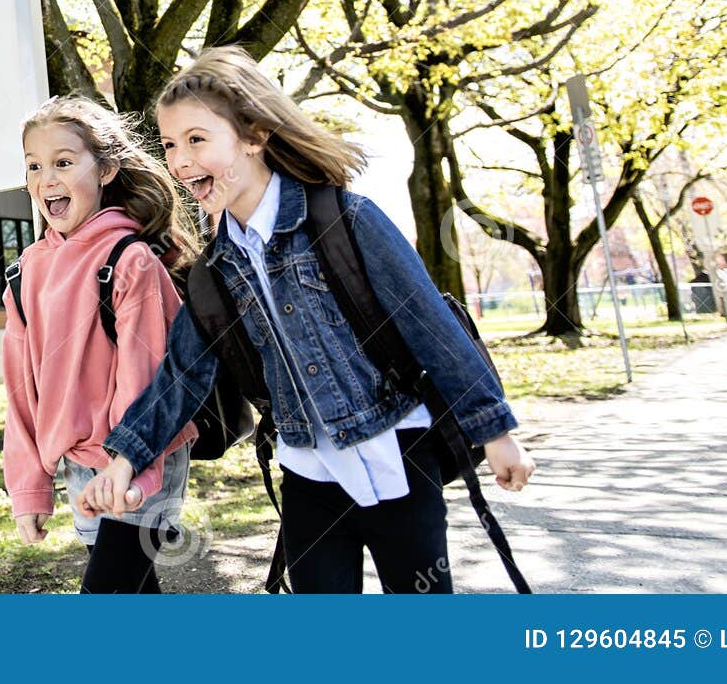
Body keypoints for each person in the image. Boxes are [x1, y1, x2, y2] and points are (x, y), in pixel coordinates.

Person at [77, 47, 536, 593]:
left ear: (253, 135)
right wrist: (124, 460)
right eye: (171, 145)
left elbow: (431, 325)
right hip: (309, 476)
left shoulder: (346, 219)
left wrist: (495, 431)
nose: (180, 162)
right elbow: (179, 377)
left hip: (398, 457)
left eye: (197, 140)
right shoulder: (214, 274)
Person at [3, 96, 199, 592]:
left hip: (140, 455)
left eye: (64, 163)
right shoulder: (23, 273)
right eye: (34, 166)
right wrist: (29, 490)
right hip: (79, 464)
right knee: (133, 594)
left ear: (107, 168)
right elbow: (21, 393)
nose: (46, 179)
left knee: (108, 593)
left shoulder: (131, 260)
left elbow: (147, 377)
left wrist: (132, 470)